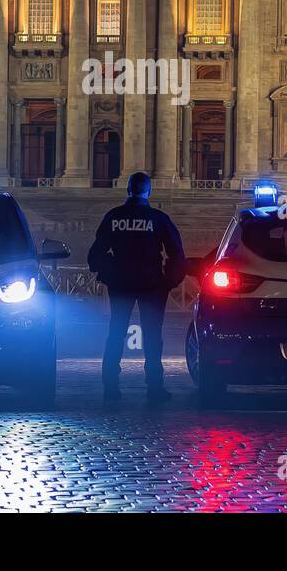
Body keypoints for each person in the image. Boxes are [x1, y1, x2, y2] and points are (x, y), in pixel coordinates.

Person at [87, 172, 185, 404]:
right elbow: (176, 255)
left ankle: (110, 388)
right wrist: (169, 281)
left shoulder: (114, 217)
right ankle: (154, 388)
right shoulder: (158, 218)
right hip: (152, 284)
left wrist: (110, 274)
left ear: (128, 190)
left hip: (121, 283)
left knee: (116, 334)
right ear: (149, 191)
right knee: (152, 336)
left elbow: (96, 255)